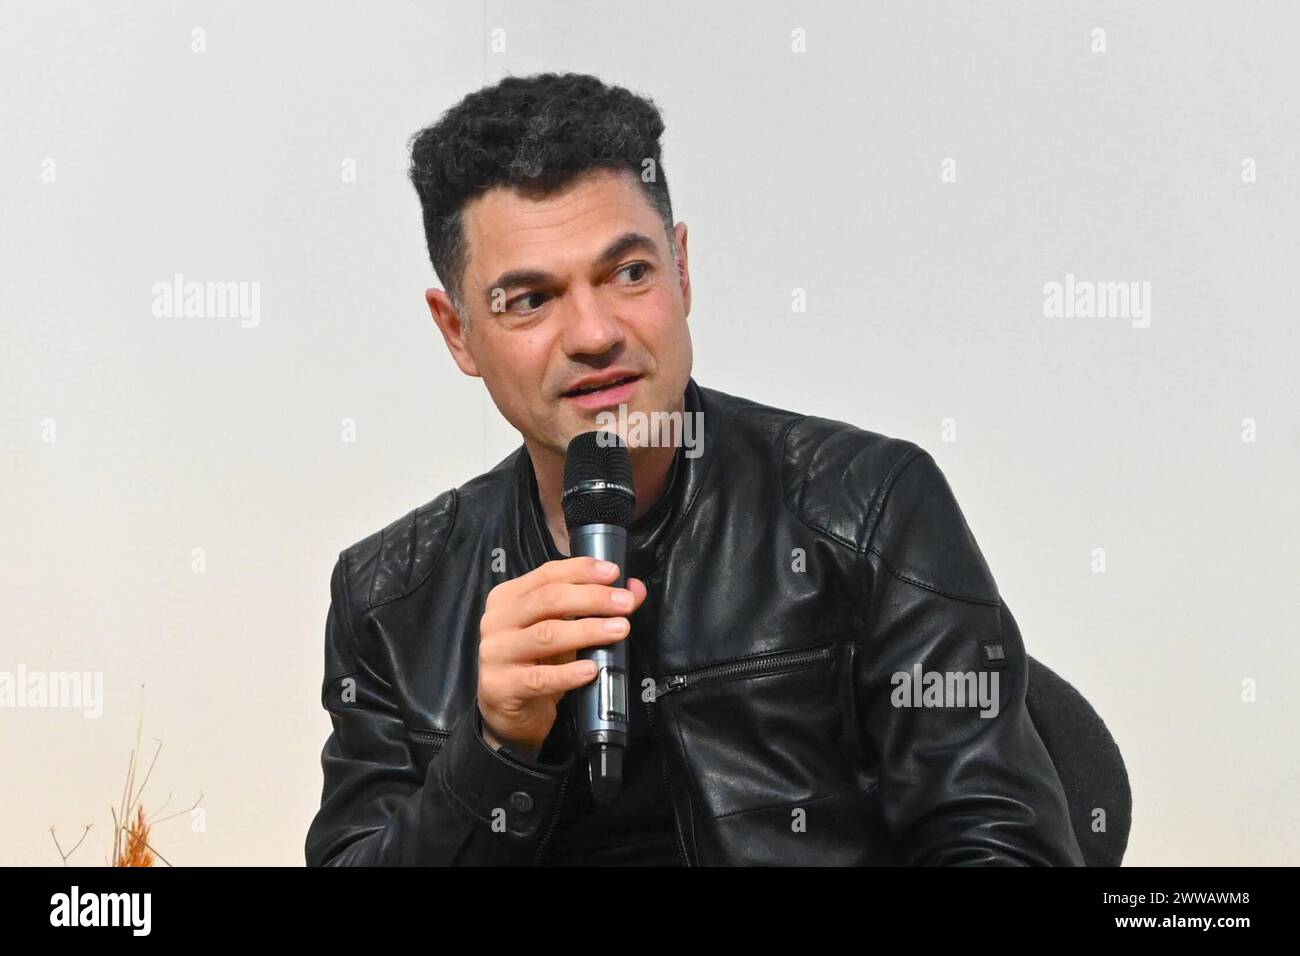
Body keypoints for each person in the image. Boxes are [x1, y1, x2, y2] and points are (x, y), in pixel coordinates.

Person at [304, 72, 1084, 866]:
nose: (594, 332)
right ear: (458, 332)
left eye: (628, 274)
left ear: (681, 269)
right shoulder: (390, 598)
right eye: (531, 299)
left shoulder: (867, 507)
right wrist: (494, 746)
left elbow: (1000, 844)